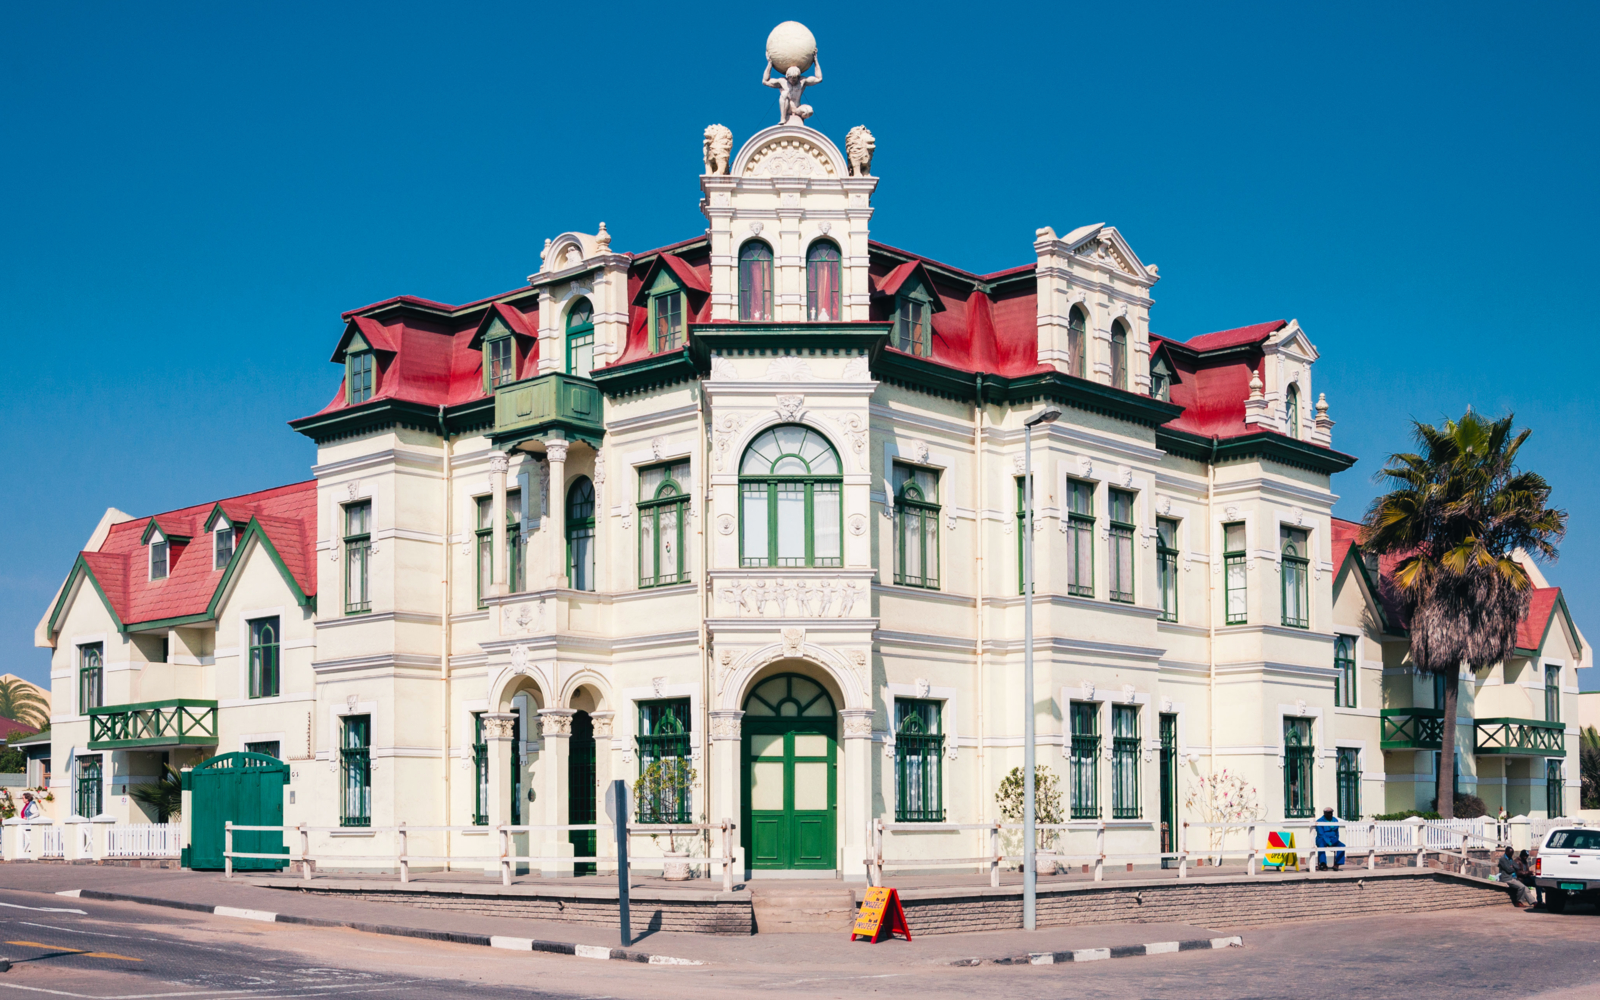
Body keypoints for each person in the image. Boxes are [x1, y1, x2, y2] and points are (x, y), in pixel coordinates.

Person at [1314, 806, 1346, 871]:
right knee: (1321, 846)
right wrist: (1329, 842)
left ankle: (1337, 864)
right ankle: (1323, 864)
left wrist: (1335, 840)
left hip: (1333, 839)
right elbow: (1321, 834)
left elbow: (1337, 833)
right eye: (1328, 813)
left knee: (1342, 846)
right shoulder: (1319, 821)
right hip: (1322, 839)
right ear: (1324, 813)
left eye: (1331, 813)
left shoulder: (1335, 820)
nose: (1330, 814)